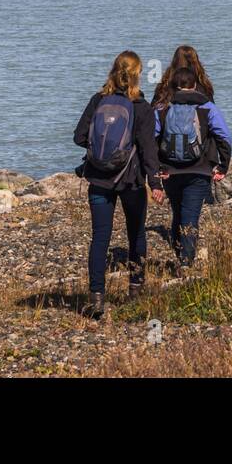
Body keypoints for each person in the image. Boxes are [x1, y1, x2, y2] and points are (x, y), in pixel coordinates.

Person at [73, 50, 162, 320]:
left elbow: (78, 137)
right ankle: (135, 291)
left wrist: (103, 148)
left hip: (99, 180)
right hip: (131, 181)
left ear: (113, 71)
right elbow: (148, 149)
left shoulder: (98, 100)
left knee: (100, 238)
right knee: (136, 234)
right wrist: (155, 181)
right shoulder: (141, 107)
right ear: (137, 75)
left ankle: (97, 299)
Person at [154, 66, 232, 269]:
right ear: (195, 85)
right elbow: (224, 137)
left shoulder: (162, 108)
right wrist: (222, 166)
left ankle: (179, 251)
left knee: (177, 212)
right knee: (191, 214)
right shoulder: (207, 108)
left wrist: (157, 167)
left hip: (169, 171)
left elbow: (151, 140)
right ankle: (186, 261)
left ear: (174, 86)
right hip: (199, 170)